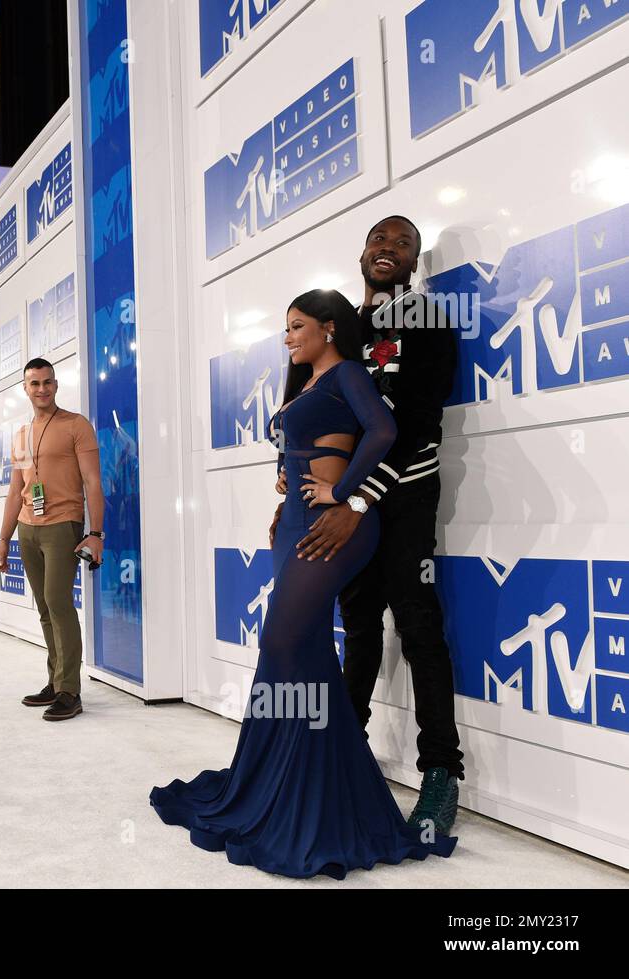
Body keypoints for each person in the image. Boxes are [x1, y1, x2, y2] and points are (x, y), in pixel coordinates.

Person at [150, 289, 456, 879]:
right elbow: (299, 452)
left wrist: (345, 496)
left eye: (296, 327)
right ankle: (303, 782)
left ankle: (307, 791)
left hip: (332, 526)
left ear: (329, 329)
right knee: (303, 651)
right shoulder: (311, 384)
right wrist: (286, 498)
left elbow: (384, 432)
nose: (287, 337)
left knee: (283, 645)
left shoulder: (347, 375)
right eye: (285, 328)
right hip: (294, 525)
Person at [292, 216, 465, 835]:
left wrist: (358, 500)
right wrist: (297, 481)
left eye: (403, 243)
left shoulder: (429, 320)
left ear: (414, 262)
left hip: (403, 495)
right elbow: (315, 412)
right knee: (359, 626)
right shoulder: (338, 323)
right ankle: (346, 754)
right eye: (380, 240)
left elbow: (419, 424)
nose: (389, 248)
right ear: (361, 252)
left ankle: (441, 778)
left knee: (419, 625)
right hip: (344, 501)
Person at [0, 358, 105, 722]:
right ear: (25, 389)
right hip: (28, 528)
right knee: (44, 607)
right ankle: (56, 682)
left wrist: (95, 534)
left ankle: (70, 691)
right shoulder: (21, 435)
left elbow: (92, 483)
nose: (41, 389)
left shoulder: (77, 425)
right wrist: (3, 538)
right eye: (34, 384)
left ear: (56, 385)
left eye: (47, 382)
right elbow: (15, 491)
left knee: (58, 603)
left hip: (63, 525)